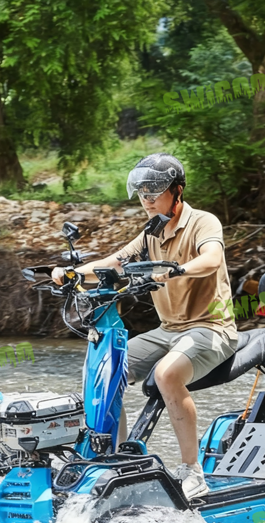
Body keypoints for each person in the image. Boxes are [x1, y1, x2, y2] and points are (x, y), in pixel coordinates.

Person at [51, 153, 237, 499]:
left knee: (167, 374)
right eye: (142, 192)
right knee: (106, 369)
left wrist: (178, 269)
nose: (147, 198)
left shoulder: (203, 222)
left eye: (155, 190)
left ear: (177, 190)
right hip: (168, 330)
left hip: (211, 328)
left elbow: (212, 259)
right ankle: (115, 460)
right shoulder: (151, 232)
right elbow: (115, 262)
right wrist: (73, 273)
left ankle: (192, 470)